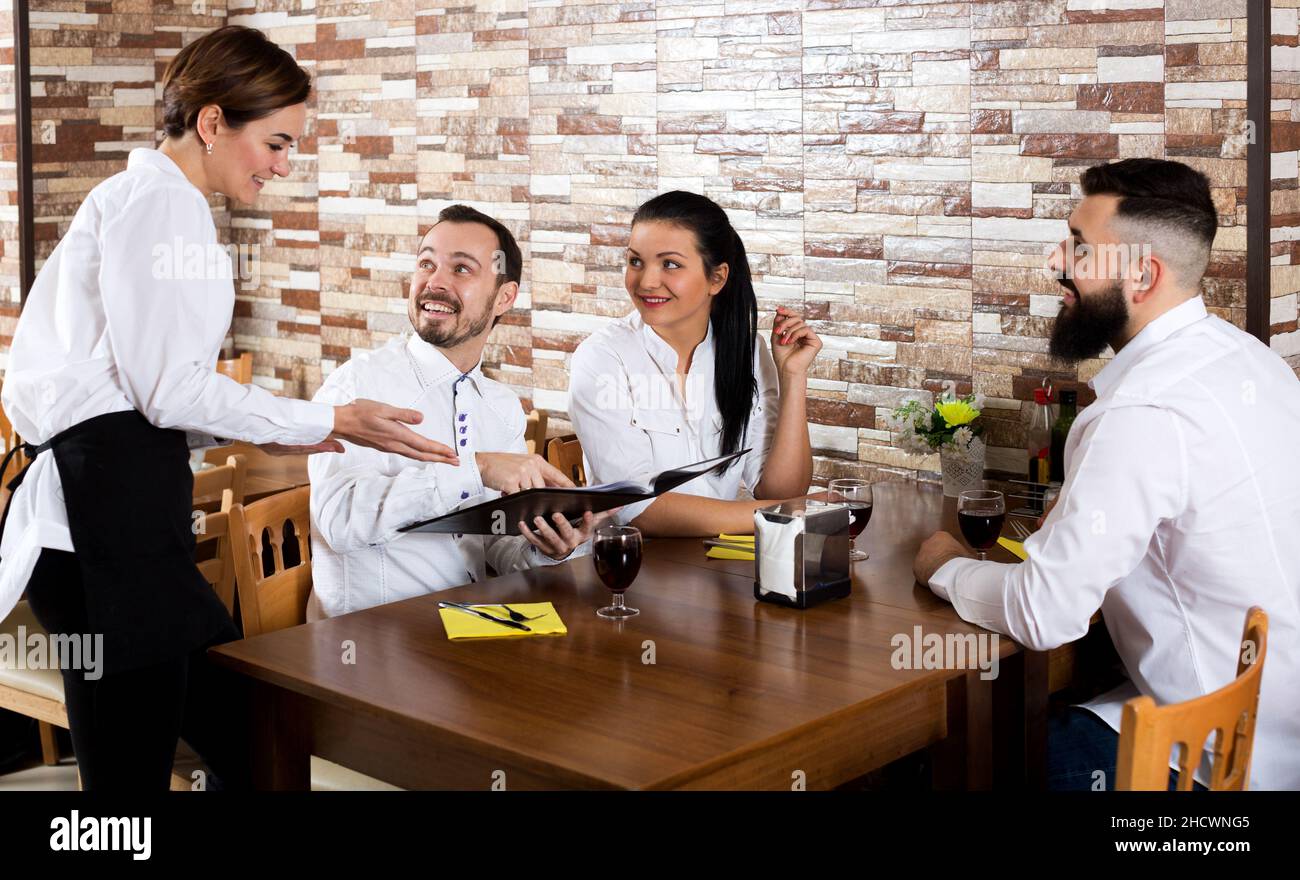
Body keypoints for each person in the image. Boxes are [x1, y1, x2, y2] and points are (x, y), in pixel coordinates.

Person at [0, 26, 455, 791]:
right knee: (134, 787)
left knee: (251, 736)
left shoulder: (150, 200)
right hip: (101, 527)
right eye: (275, 143)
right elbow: (167, 390)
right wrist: (326, 421)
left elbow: (147, 391)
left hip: (120, 514)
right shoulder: (161, 206)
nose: (283, 164)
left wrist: (300, 431)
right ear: (213, 123)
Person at [912, 158, 1300, 790]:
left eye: (1080, 247)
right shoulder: (1253, 360)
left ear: (1142, 275)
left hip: (1217, 763)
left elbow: (1045, 613)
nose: (1057, 261)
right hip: (1279, 725)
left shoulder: (1141, 410)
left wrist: (943, 567)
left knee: (952, 763)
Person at [307, 206, 611, 618]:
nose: (434, 282)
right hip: (370, 645)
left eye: (461, 269)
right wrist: (476, 469)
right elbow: (339, 522)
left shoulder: (500, 406)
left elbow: (495, 545)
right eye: (426, 264)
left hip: (466, 628)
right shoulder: (356, 386)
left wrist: (546, 548)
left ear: (504, 296)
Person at [567, 191, 822, 536]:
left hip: (718, 570)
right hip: (629, 572)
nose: (646, 281)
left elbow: (779, 492)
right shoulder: (603, 358)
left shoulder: (747, 351)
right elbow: (637, 508)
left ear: (716, 278)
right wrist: (789, 513)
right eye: (635, 261)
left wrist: (792, 377)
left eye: (669, 264)